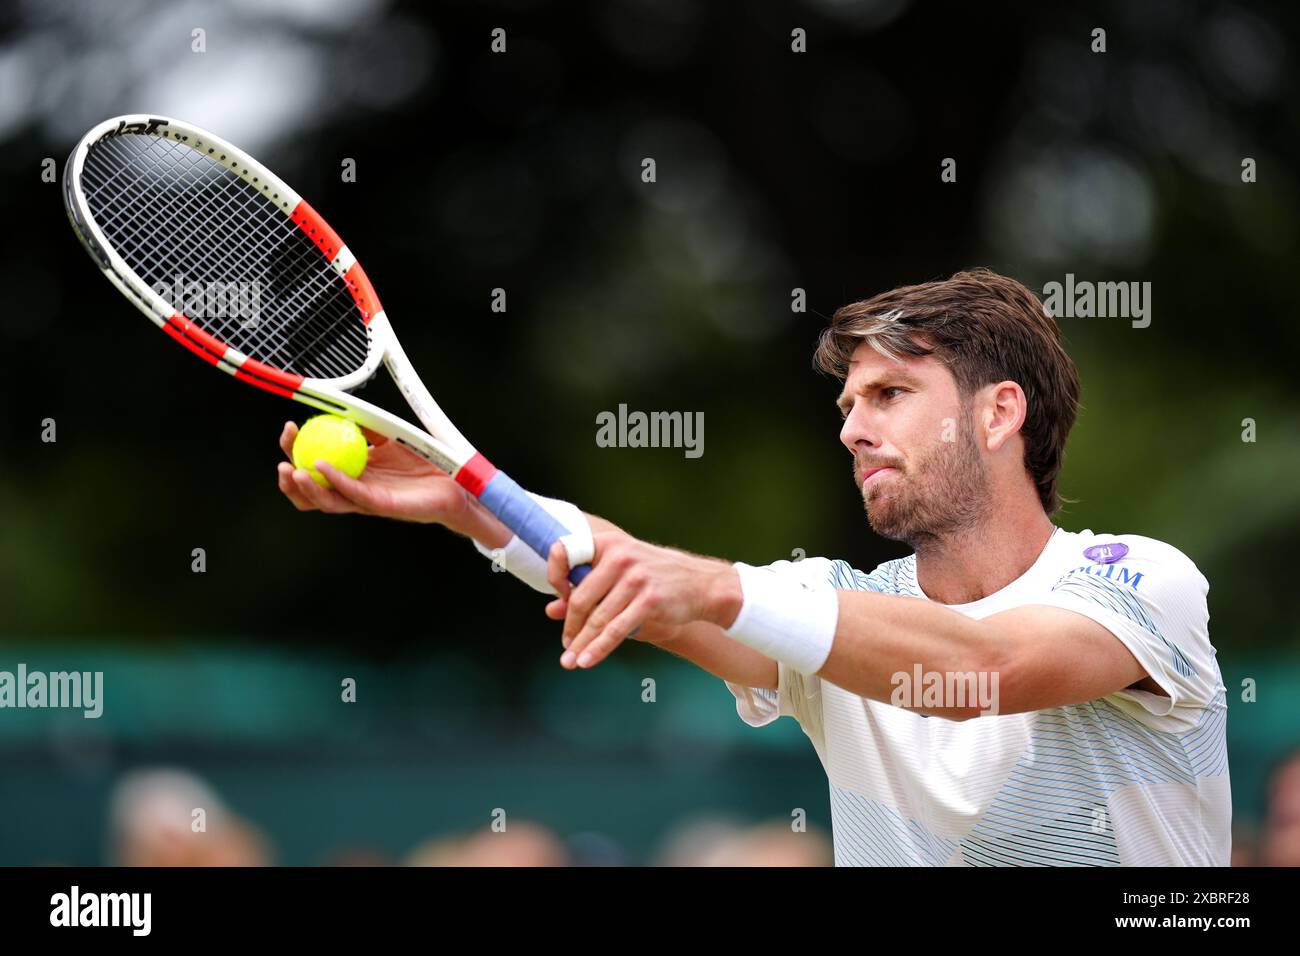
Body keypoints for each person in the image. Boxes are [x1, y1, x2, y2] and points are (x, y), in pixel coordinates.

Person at [275, 268, 1230, 866]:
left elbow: (989, 671)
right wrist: (467, 505)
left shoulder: (1144, 579)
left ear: (998, 413)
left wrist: (724, 586)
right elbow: (643, 588)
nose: (855, 429)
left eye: (892, 393)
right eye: (849, 404)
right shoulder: (835, 609)